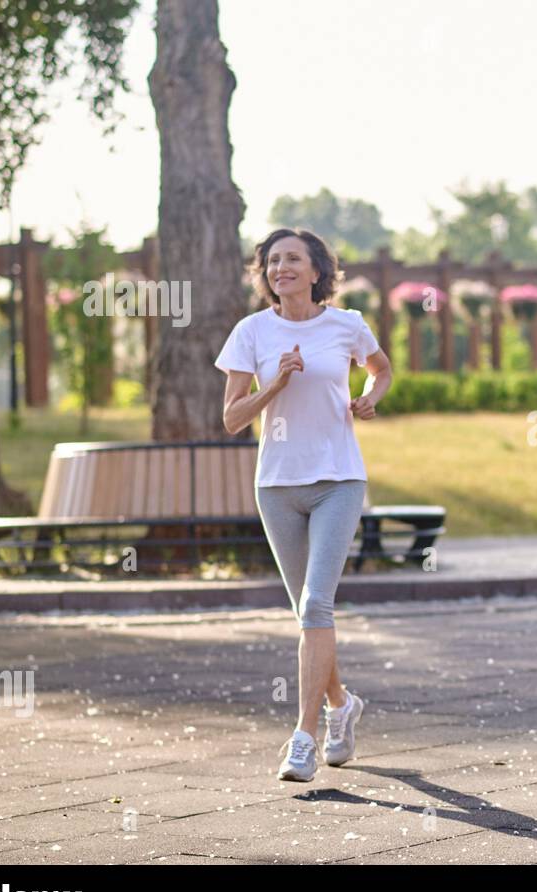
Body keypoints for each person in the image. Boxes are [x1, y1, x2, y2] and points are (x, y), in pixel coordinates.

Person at [214, 227, 393, 782]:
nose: (280, 268)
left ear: (317, 271)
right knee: (309, 615)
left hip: (338, 478)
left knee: (316, 606)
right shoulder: (252, 332)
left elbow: (382, 369)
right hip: (277, 486)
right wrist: (275, 385)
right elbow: (232, 418)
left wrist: (369, 398)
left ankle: (303, 738)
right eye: (272, 261)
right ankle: (342, 704)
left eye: (293, 259)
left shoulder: (347, 324)